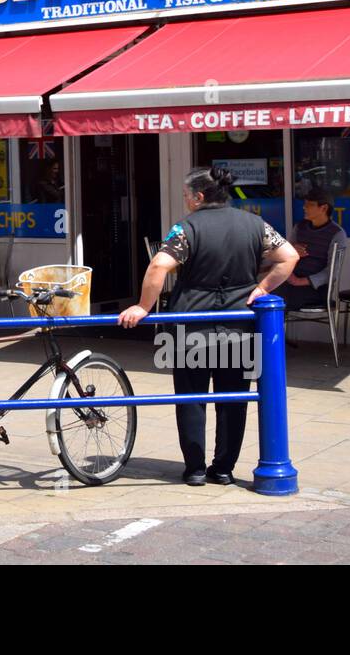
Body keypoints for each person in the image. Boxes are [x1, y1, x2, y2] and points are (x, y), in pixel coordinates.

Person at [119, 166, 298, 486]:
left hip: (190, 325)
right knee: (233, 400)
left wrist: (143, 306)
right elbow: (289, 257)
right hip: (240, 325)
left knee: (191, 398)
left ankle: (196, 469)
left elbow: (159, 264)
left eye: (187, 195)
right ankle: (224, 468)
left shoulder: (186, 228)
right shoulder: (255, 224)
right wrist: (262, 289)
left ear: (199, 196)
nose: (186, 201)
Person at [275, 187, 346, 312]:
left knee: (277, 301)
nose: (304, 208)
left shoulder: (337, 234)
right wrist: (292, 252)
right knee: (264, 295)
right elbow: (283, 256)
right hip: (292, 283)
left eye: (310, 205)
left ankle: (273, 332)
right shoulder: (299, 227)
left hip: (317, 289)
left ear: (323, 208)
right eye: (304, 204)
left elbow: (333, 271)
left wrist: (299, 281)